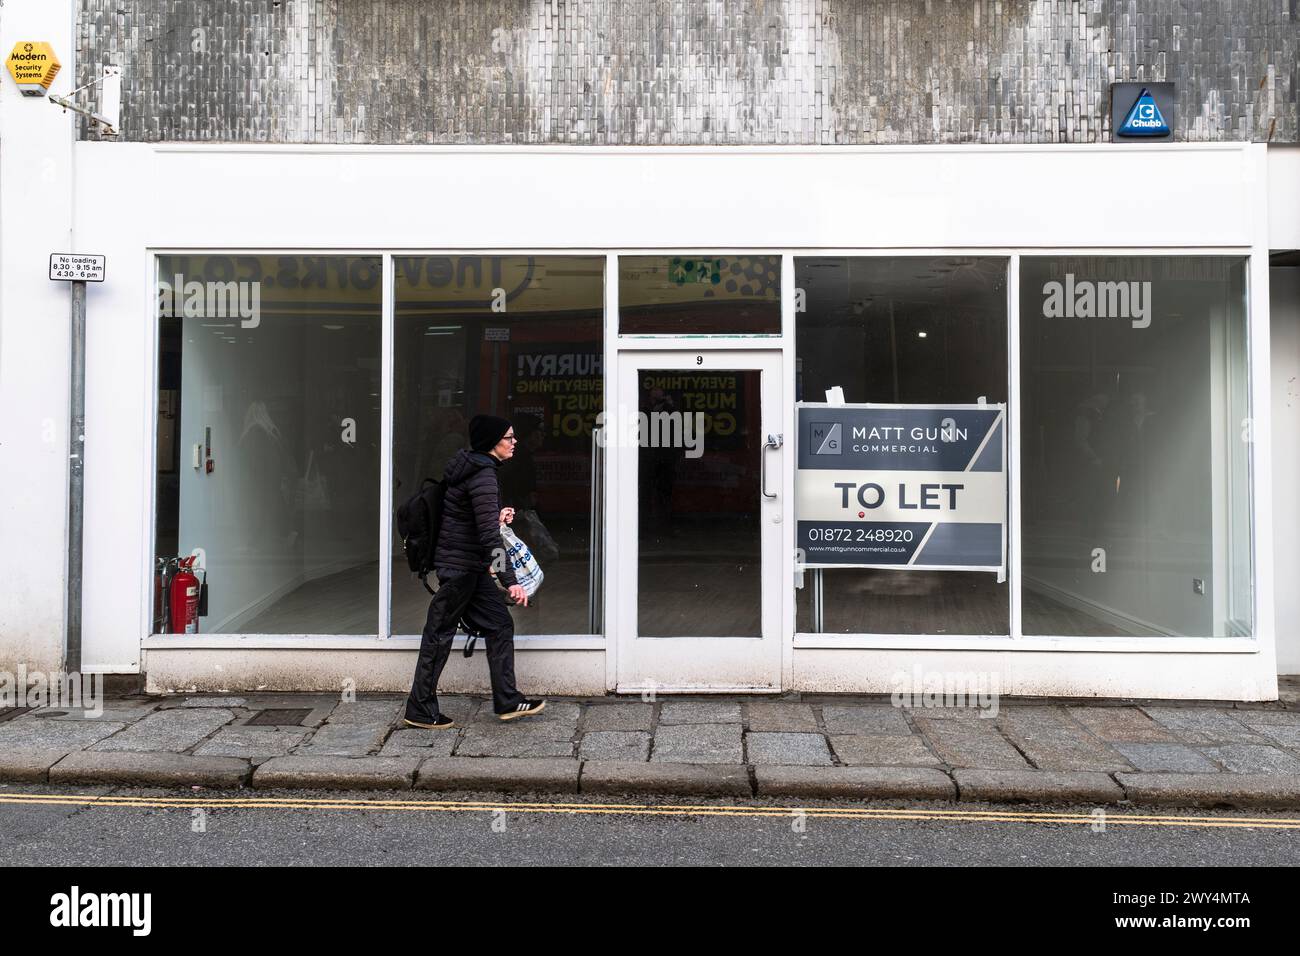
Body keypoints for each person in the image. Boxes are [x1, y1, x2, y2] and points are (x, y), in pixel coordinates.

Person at [403, 414, 546, 728]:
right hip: (460, 569)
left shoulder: (475, 469)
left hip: (470, 568)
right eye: (509, 437)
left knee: (499, 625)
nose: (514, 441)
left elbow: (473, 518)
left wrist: (496, 515)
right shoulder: (482, 475)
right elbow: (487, 537)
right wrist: (510, 581)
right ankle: (420, 708)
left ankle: (507, 700)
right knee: (438, 634)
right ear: (491, 442)